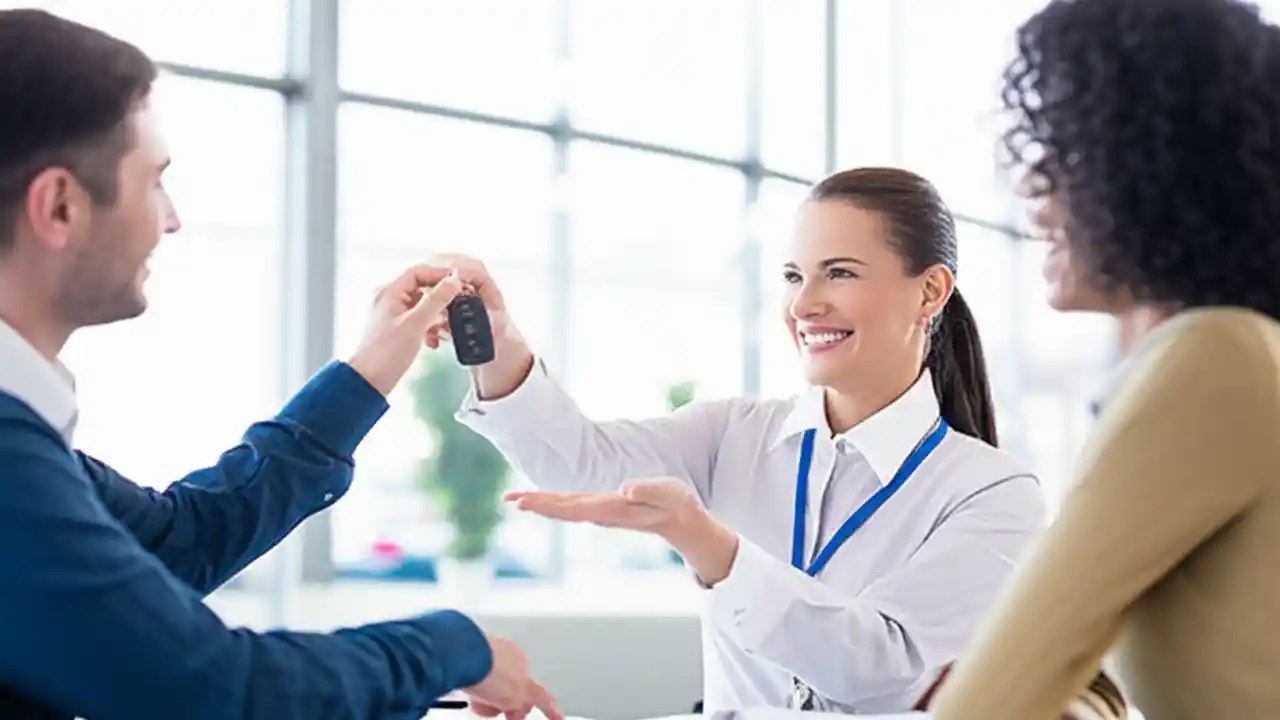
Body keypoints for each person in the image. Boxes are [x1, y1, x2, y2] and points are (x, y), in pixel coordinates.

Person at [0, 10, 560, 720]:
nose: (170, 220)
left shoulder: (26, 448)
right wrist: (449, 645)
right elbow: (215, 689)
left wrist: (368, 372)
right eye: (153, 183)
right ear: (60, 207)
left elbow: (182, 540)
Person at [424, 167, 1047, 715]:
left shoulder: (993, 494)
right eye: (793, 275)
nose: (804, 304)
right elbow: (577, 465)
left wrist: (707, 544)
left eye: (840, 273)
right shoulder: (732, 434)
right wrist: (498, 342)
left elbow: (880, 660)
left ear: (930, 291)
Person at [928, 0, 1280, 718]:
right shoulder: (1242, 355)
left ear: (1152, 170)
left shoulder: (1214, 359)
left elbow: (982, 706)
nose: (1034, 191)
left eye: (1069, 154)